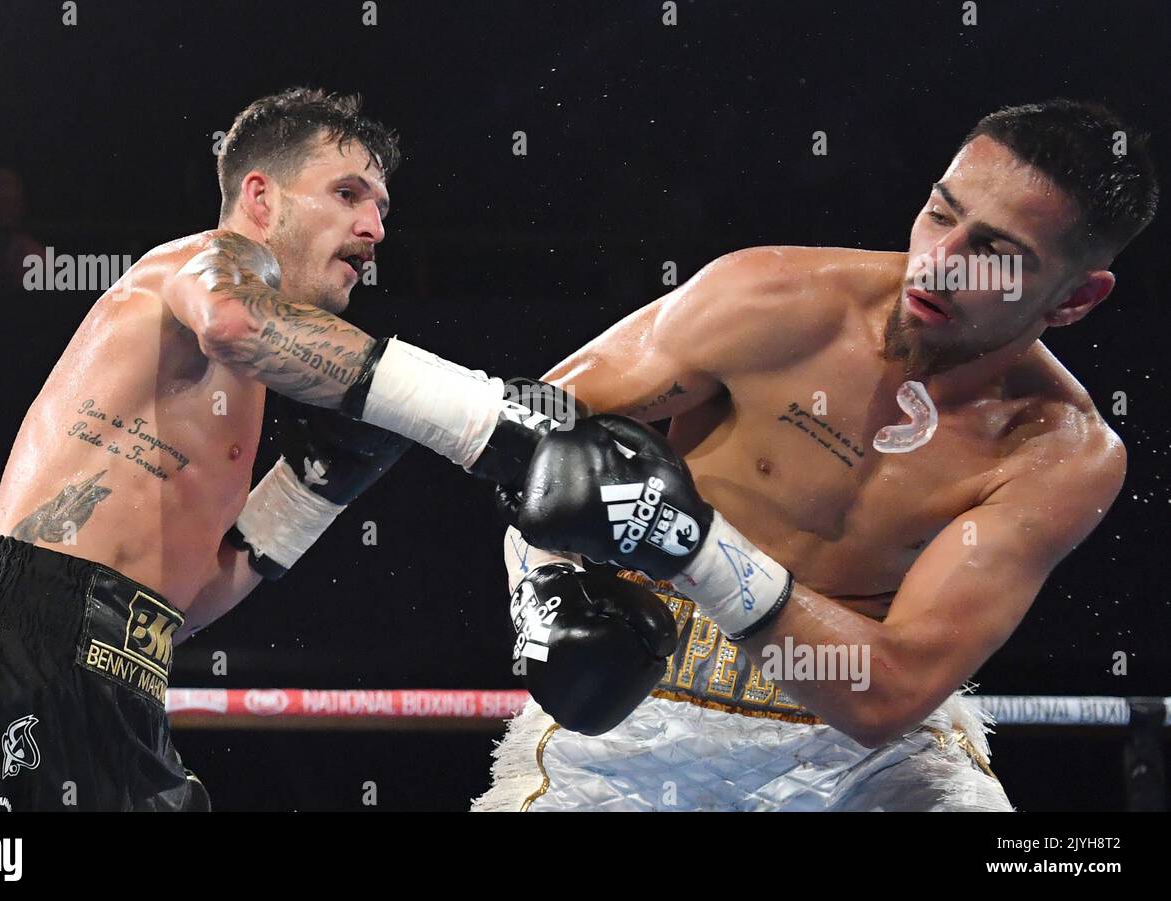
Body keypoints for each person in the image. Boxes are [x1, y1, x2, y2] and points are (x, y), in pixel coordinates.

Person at [0, 86, 565, 811]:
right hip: (22, 652)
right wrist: (480, 413)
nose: (374, 227)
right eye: (348, 192)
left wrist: (309, 492)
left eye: (382, 208)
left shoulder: (242, 386)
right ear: (261, 198)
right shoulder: (207, 265)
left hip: (131, 683)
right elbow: (234, 319)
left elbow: (181, 603)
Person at [475, 99, 1156, 812]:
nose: (941, 263)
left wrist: (694, 545)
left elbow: (888, 692)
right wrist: (541, 590)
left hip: (864, 756)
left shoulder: (1061, 453)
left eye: (994, 253)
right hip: (638, 703)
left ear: (1076, 298)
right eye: (941, 213)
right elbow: (527, 432)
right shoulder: (771, 297)